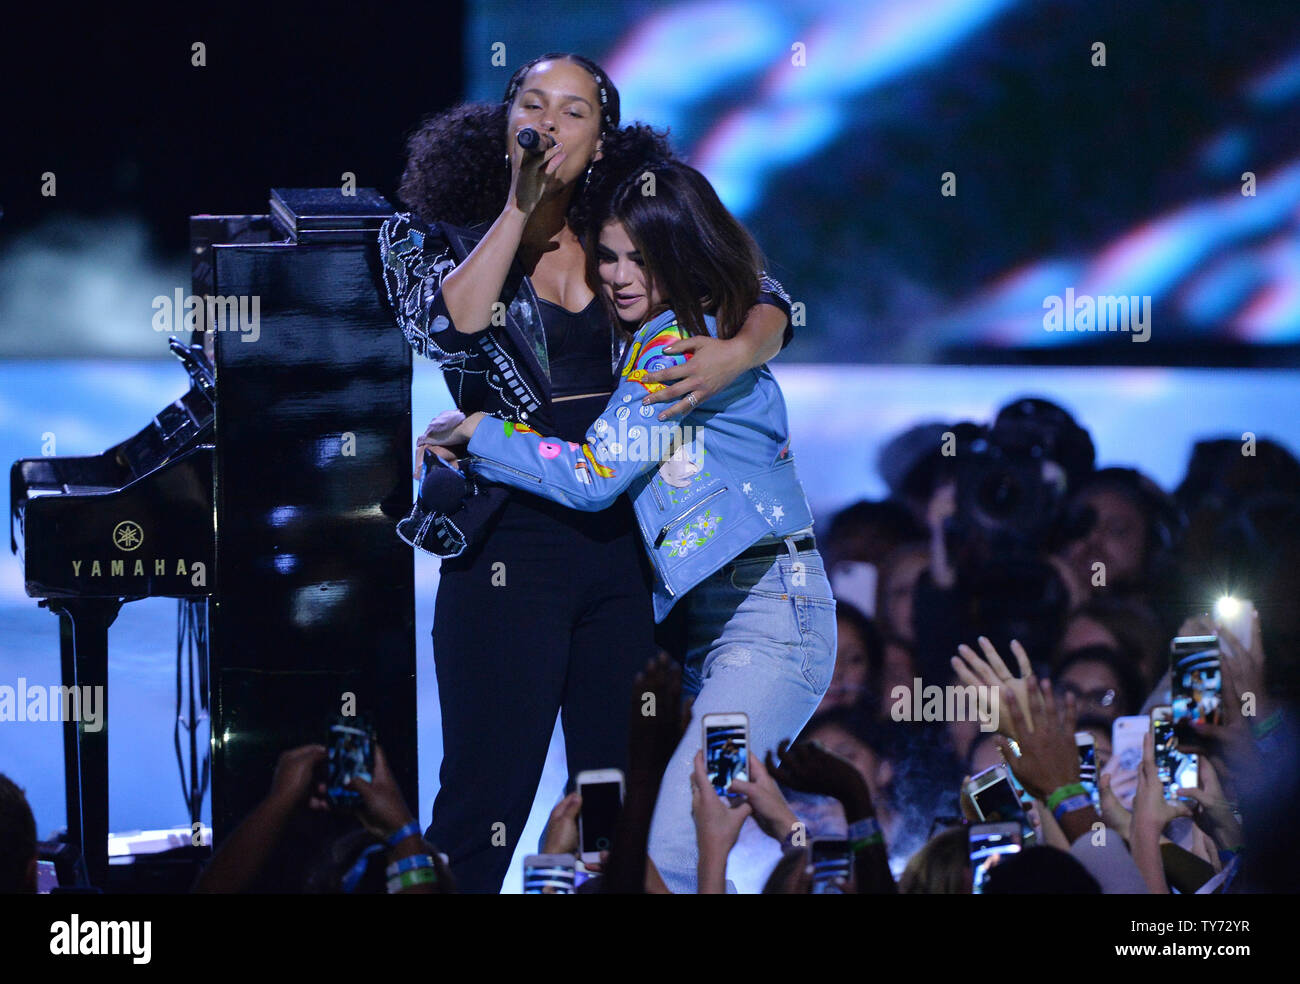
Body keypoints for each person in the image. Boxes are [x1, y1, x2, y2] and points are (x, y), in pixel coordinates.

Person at [378, 52, 794, 893]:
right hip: (508, 550)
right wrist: (517, 207)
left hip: (631, 551)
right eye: (534, 105)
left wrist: (734, 355)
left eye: (575, 112)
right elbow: (450, 325)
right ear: (505, 124)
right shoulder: (429, 236)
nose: (551, 125)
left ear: (603, 139)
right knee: (484, 799)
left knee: (617, 802)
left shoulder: (632, 234)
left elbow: (766, 289)